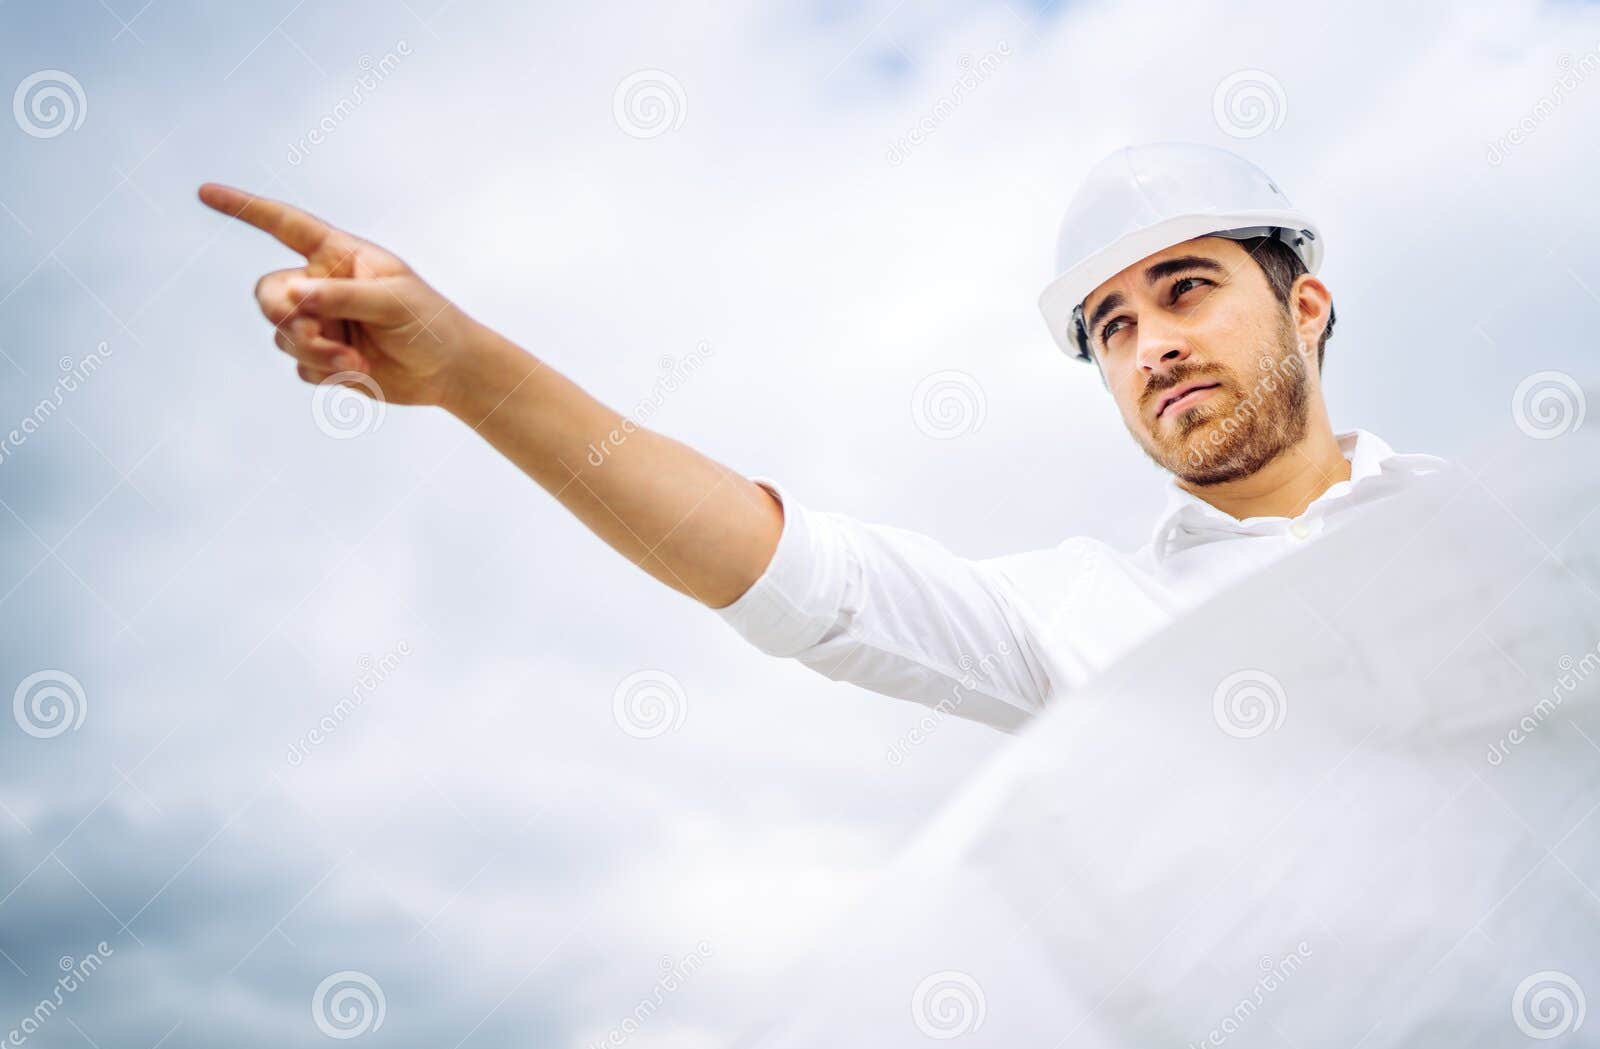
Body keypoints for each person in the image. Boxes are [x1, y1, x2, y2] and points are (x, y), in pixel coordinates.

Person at [199, 142, 1442, 735]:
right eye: (1109, 325)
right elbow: (790, 571)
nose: (1148, 344)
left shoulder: (1506, 524)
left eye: (1185, 289)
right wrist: (467, 369)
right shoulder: (1080, 615)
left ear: (1305, 305)